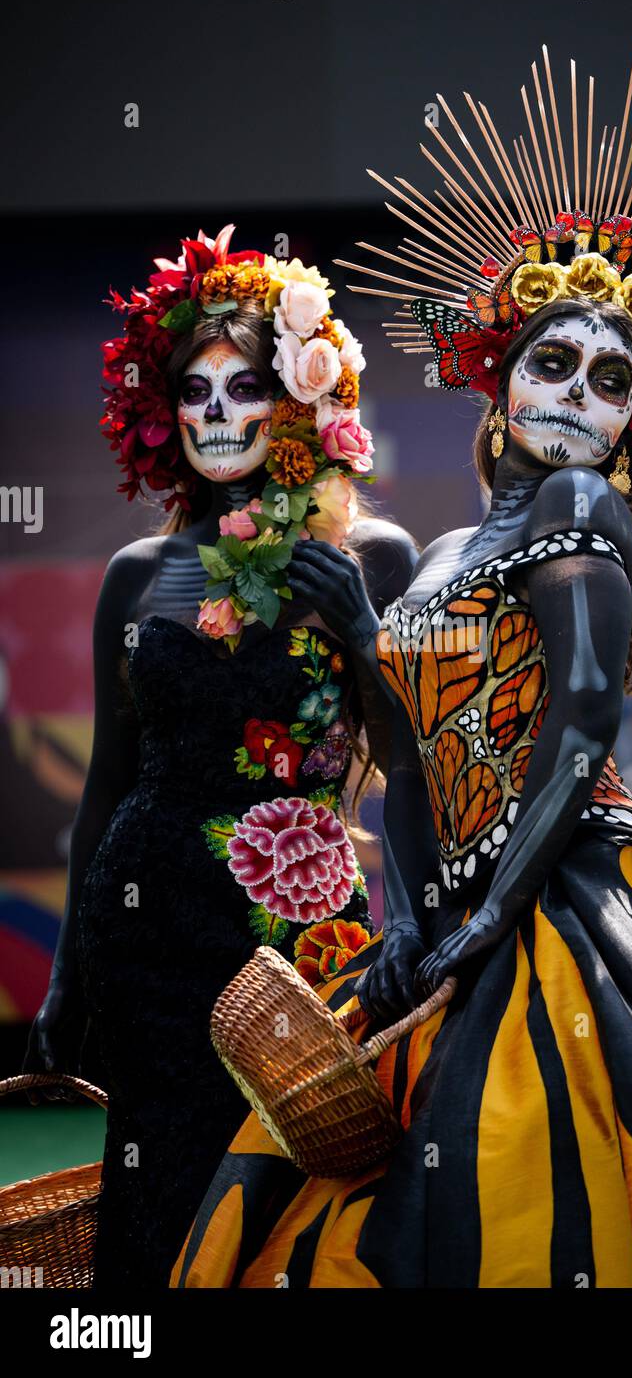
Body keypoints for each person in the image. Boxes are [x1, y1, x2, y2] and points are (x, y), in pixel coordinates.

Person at [173, 35, 632, 1289]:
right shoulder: (440, 550)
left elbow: (583, 724)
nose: (579, 397)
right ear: (499, 379)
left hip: (581, 890)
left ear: (630, 419)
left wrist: (489, 914)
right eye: (553, 362)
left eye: (613, 382)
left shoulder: (588, 514)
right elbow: (409, 758)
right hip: (454, 905)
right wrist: (415, 907)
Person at [22, 227, 417, 1289]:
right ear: (164, 414)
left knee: (303, 1194)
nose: (213, 413)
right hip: (143, 936)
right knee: (155, 1194)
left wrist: (365, 635)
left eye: (243, 387)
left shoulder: (367, 556)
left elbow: (405, 757)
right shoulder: (137, 572)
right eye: (191, 393)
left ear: (294, 400)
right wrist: (66, 974)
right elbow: (108, 782)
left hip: (296, 940)